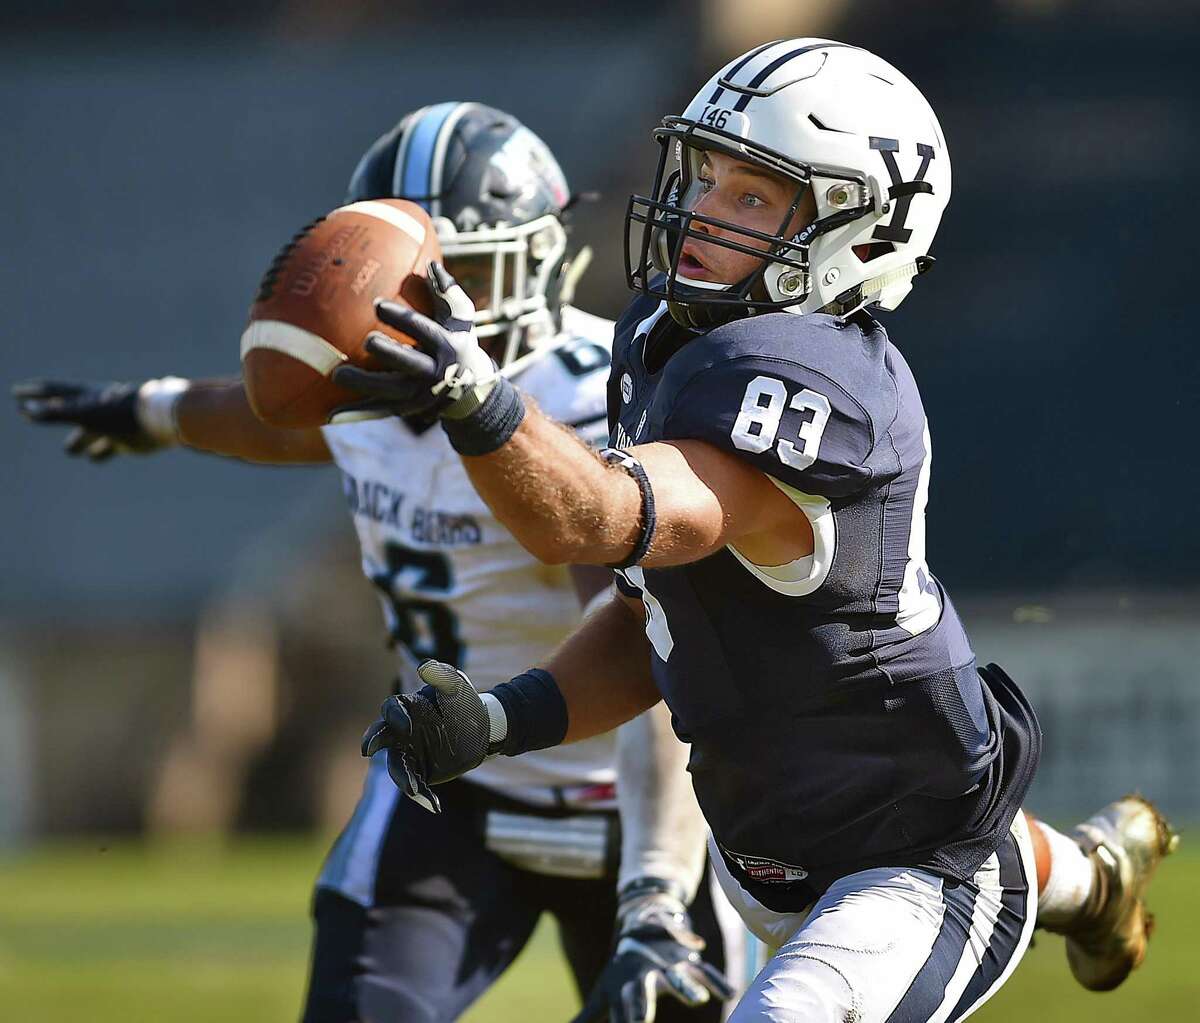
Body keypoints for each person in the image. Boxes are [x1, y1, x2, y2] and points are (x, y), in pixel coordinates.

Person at [327, 44, 1178, 1021]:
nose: (699, 211)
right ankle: (1093, 876)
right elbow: (656, 617)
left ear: (855, 235)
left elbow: (603, 519)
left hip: (905, 867)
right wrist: (503, 716)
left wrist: (478, 402)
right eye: (706, 177)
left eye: (752, 198)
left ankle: (1068, 876)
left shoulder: (816, 387)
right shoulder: (667, 339)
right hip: (774, 836)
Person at [14, 103, 747, 1023]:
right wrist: (151, 410)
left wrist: (652, 888)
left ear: (537, 263)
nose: (434, 315)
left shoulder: (600, 393)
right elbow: (266, 420)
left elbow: (650, 648)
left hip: (628, 806)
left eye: (465, 279)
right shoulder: (366, 392)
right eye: (409, 284)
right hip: (450, 788)